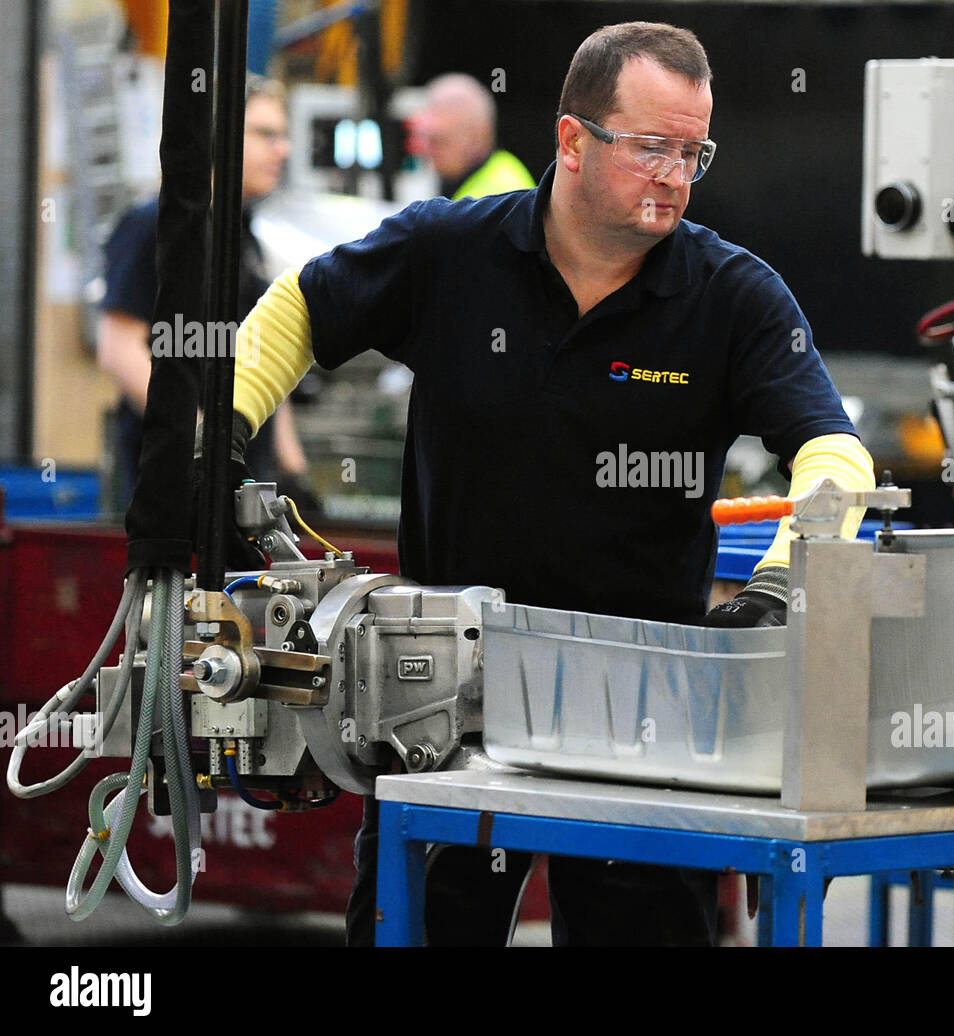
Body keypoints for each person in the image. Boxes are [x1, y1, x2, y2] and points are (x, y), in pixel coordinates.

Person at [227, 22, 874, 946]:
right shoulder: (448, 252)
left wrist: (776, 589)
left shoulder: (732, 297)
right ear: (573, 140)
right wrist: (215, 443)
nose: (675, 176)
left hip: (644, 714)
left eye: (693, 154)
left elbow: (836, 455)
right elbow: (298, 307)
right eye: (651, 147)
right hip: (440, 702)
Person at [98, 75, 310, 512]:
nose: (283, 150)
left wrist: (292, 467)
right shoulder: (154, 226)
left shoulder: (244, 237)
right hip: (170, 490)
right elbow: (120, 350)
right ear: (219, 136)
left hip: (241, 483)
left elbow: (263, 353)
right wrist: (201, 443)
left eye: (284, 136)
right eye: (266, 134)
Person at [408, 72, 535, 199]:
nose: (428, 151)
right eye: (426, 138)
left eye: (439, 141)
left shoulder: (495, 195)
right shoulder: (497, 170)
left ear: (475, 138)